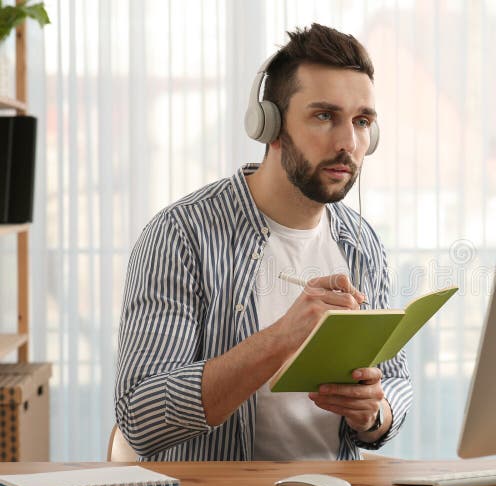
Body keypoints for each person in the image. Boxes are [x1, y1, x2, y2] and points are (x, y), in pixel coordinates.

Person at [114, 24, 411, 461]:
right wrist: (281, 339)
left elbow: (396, 379)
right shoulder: (181, 236)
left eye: (361, 122)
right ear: (268, 125)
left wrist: (374, 413)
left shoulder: (362, 242)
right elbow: (139, 419)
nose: (348, 143)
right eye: (324, 116)